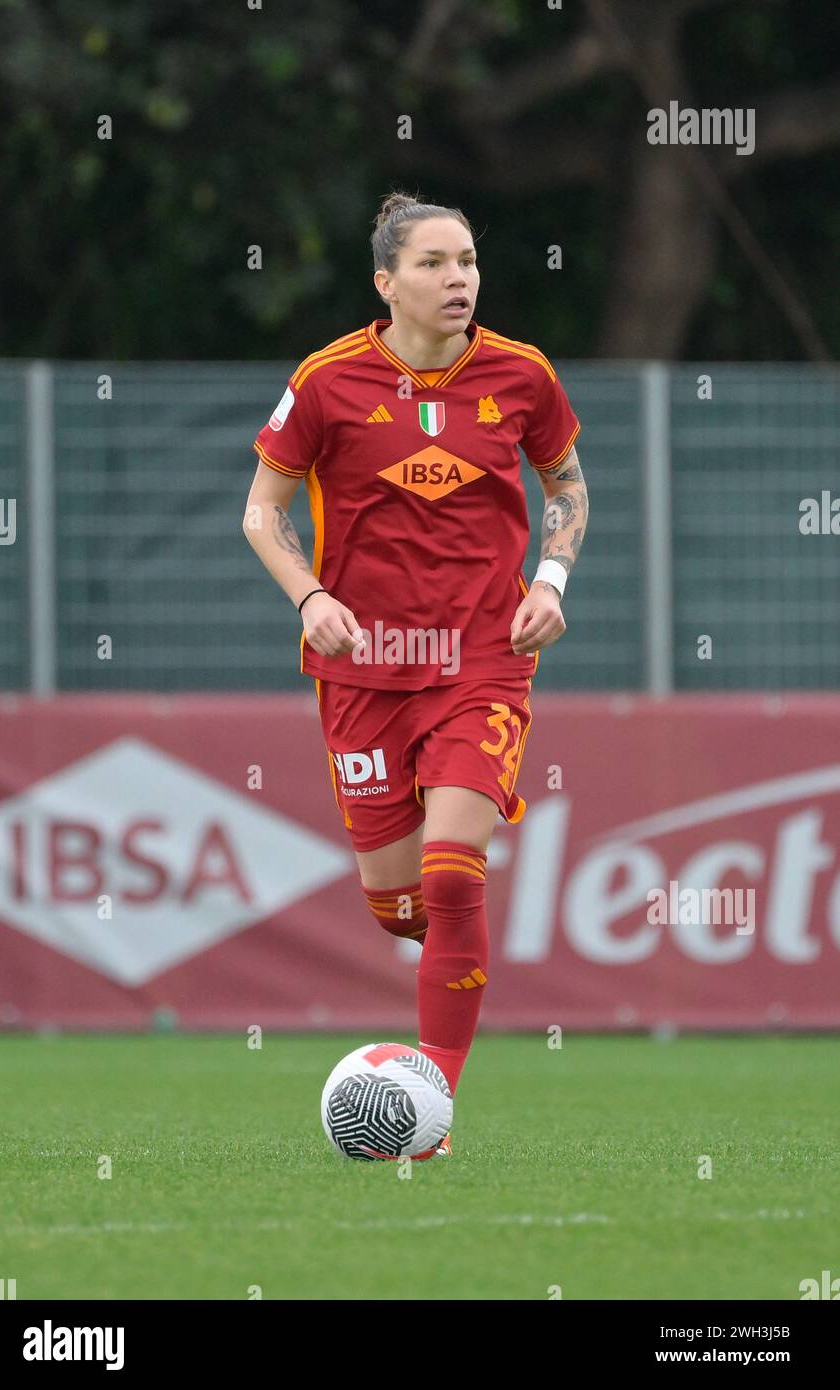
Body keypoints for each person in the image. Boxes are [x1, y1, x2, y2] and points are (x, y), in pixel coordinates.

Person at [243, 191, 588, 1152]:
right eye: (434, 263)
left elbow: (566, 485)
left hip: (482, 660)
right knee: (401, 911)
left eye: (468, 260)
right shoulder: (326, 381)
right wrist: (312, 598)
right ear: (386, 282)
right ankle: (428, 1002)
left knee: (451, 876)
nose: (459, 279)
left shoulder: (520, 375)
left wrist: (552, 578)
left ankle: (430, 1107)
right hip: (362, 670)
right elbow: (260, 513)